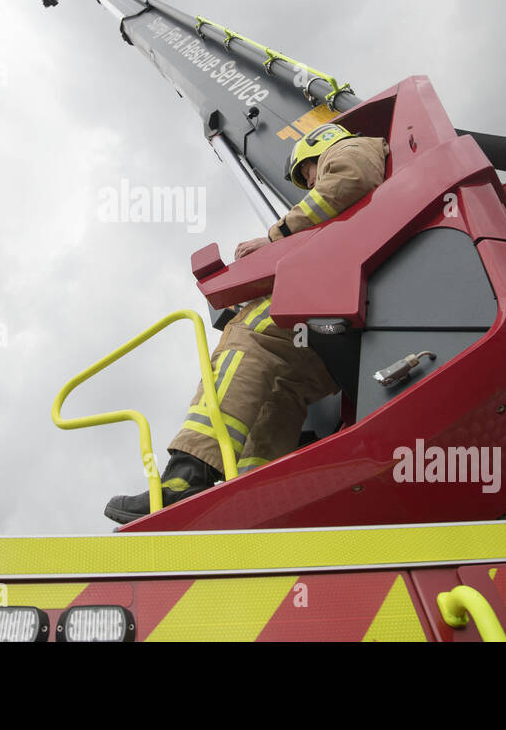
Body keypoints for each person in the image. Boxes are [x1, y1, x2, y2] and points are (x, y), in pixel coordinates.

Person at [104, 123, 389, 524]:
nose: (309, 183)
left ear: (319, 144)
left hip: (332, 307)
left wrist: (277, 237)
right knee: (280, 390)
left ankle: (187, 476)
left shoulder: (352, 149)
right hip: (353, 322)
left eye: (305, 173)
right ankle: (257, 488)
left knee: (246, 343)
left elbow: (352, 179)